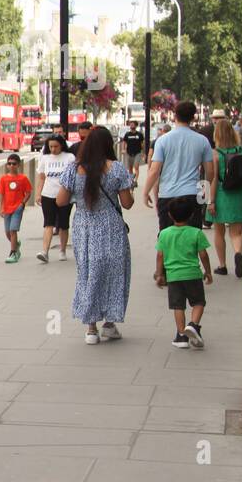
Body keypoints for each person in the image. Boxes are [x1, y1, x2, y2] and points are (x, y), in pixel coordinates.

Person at [56, 127, 135, 345]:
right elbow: (127, 203)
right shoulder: (117, 169)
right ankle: (110, 323)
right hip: (111, 226)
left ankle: (91, 328)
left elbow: (60, 201)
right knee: (114, 272)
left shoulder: (73, 170)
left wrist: (78, 197)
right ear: (109, 145)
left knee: (87, 272)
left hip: (84, 226)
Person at [141, 101, 214, 232]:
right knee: (192, 239)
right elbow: (210, 171)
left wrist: (145, 192)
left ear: (175, 116)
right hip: (192, 194)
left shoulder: (162, 140)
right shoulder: (202, 141)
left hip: (168, 195)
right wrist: (205, 190)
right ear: (193, 117)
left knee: (167, 239)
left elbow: (154, 171)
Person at [154, 197, 213, 349]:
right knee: (199, 302)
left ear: (170, 215)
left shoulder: (164, 234)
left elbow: (160, 255)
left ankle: (181, 336)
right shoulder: (196, 233)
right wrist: (208, 271)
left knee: (178, 306)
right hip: (193, 274)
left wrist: (159, 274)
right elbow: (204, 255)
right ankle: (193, 325)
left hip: (173, 276)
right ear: (192, 215)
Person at [205, 118, 242, 277]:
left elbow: (214, 178)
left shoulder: (216, 154)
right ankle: (238, 253)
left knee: (219, 231)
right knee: (236, 233)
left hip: (222, 195)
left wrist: (210, 201)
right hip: (239, 194)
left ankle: (222, 265)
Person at [35, 134, 74, 263]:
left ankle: (62, 250)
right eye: (50, 146)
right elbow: (41, 177)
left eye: (56, 146)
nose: (53, 149)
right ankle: (45, 251)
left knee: (63, 224)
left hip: (64, 194)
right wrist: (38, 193)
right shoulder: (45, 158)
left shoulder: (69, 157)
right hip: (48, 194)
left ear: (61, 145)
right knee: (48, 223)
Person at [0, 154, 32, 264]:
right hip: (7, 208)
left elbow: (28, 192)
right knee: (7, 232)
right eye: (9, 163)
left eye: (14, 164)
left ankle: (13, 252)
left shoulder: (23, 178)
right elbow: (1, 194)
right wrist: (0, 208)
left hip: (17, 208)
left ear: (18, 165)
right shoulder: (4, 179)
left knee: (13, 230)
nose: (11, 166)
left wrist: (22, 203)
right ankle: (16, 244)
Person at [120, 119, 145, 188]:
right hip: (129, 153)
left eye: (133, 124)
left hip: (137, 153)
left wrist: (143, 152)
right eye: (130, 124)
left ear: (136, 126)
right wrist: (123, 149)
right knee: (130, 168)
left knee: (136, 167)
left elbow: (142, 144)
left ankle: (136, 180)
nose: (131, 125)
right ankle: (131, 181)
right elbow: (124, 142)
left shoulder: (139, 134)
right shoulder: (127, 134)